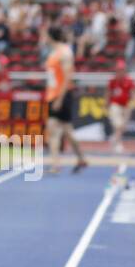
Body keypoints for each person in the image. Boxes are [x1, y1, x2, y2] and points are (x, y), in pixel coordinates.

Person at [43, 25, 86, 174]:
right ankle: (80, 158)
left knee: (54, 130)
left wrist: (60, 99)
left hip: (61, 95)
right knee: (66, 131)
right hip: (52, 94)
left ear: (50, 36)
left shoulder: (65, 52)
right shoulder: (53, 52)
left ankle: (56, 165)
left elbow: (68, 77)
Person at [105, 60, 135, 155]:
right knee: (118, 124)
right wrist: (106, 103)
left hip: (126, 106)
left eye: (122, 70)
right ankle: (117, 143)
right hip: (115, 105)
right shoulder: (113, 81)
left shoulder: (129, 81)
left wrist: (133, 102)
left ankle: (115, 139)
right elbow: (108, 93)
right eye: (118, 70)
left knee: (122, 126)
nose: (120, 72)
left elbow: (133, 93)